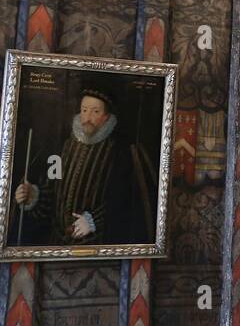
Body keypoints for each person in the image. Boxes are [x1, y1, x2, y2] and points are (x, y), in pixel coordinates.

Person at [13, 85, 156, 246]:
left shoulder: (121, 152)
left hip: (97, 245)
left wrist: (95, 221)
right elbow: (52, 185)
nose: (88, 117)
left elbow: (126, 201)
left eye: (95, 112)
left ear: (106, 117)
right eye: (84, 110)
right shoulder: (63, 147)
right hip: (57, 243)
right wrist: (33, 195)